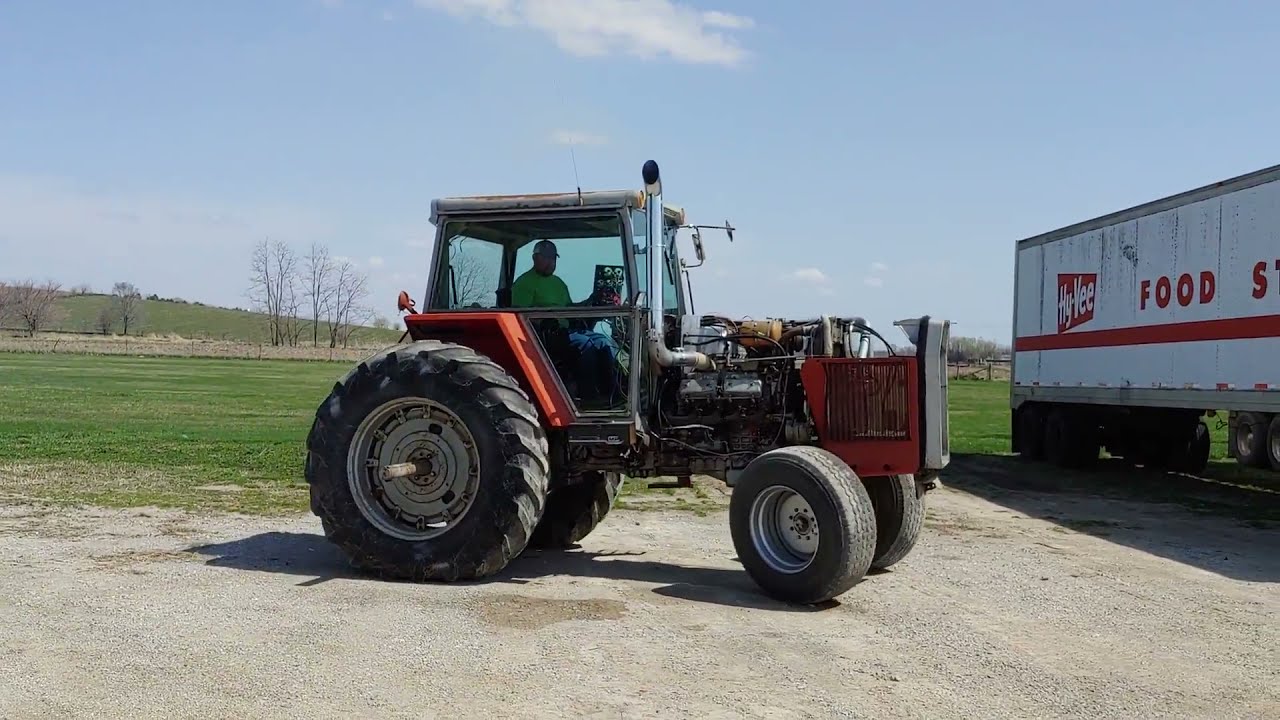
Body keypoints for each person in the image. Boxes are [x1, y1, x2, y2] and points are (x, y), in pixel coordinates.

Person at [510, 239, 621, 405]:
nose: (551, 262)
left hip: (567, 331)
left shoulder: (558, 283)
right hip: (544, 336)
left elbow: (570, 308)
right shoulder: (524, 283)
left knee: (603, 342)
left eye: (553, 258)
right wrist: (547, 320)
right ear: (535, 258)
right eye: (546, 258)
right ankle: (588, 395)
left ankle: (611, 393)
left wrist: (590, 301)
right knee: (586, 345)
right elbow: (520, 315)